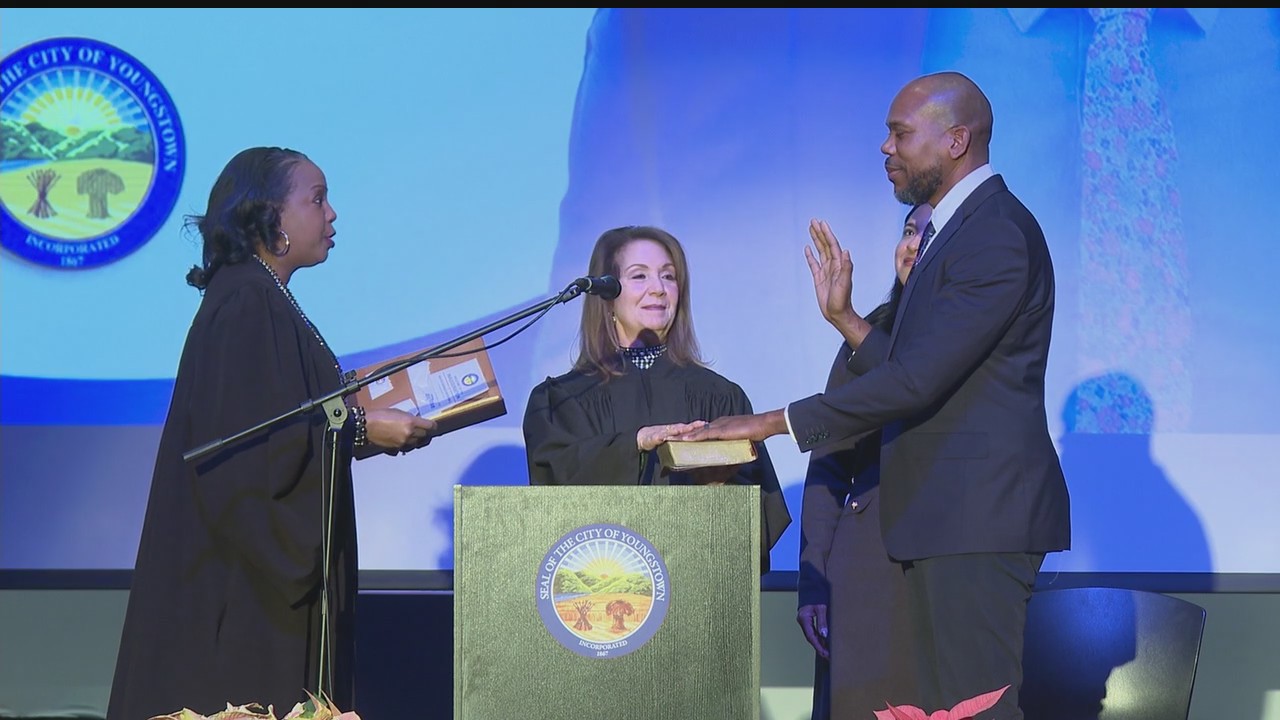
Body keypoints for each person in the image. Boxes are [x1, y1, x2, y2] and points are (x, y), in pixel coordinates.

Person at [678, 72, 1071, 718]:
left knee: (975, 709)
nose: (886, 147)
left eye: (899, 133)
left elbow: (915, 381)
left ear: (956, 141)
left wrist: (769, 422)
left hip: (978, 518)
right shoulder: (955, 234)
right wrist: (847, 321)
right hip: (944, 521)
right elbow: (914, 369)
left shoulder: (994, 232)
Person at [107, 146, 439, 720]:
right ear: (269, 217)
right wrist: (361, 429)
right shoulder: (247, 303)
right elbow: (253, 453)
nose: (332, 214)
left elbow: (286, 421)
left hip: (252, 586)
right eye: (317, 199)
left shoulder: (263, 297)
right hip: (240, 596)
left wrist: (353, 417)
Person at [522, 225, 791, 573]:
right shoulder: (560, 401)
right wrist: (636, 442)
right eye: (639, 276)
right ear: (606, 295)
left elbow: (760, 519)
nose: (658, 289)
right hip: (596, 591)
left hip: (696, 586)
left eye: (669, 276)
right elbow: (553, 492)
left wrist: (716, 486)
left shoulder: (720, 398)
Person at [798, 203, 929, 719]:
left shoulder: (978, 329)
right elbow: (830, 461)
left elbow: (920, 387)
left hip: (946, 567)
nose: (914, 243)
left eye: (931, 233)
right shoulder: (869, 331)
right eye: (909, 230)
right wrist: (813, 578)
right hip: (866, 570)